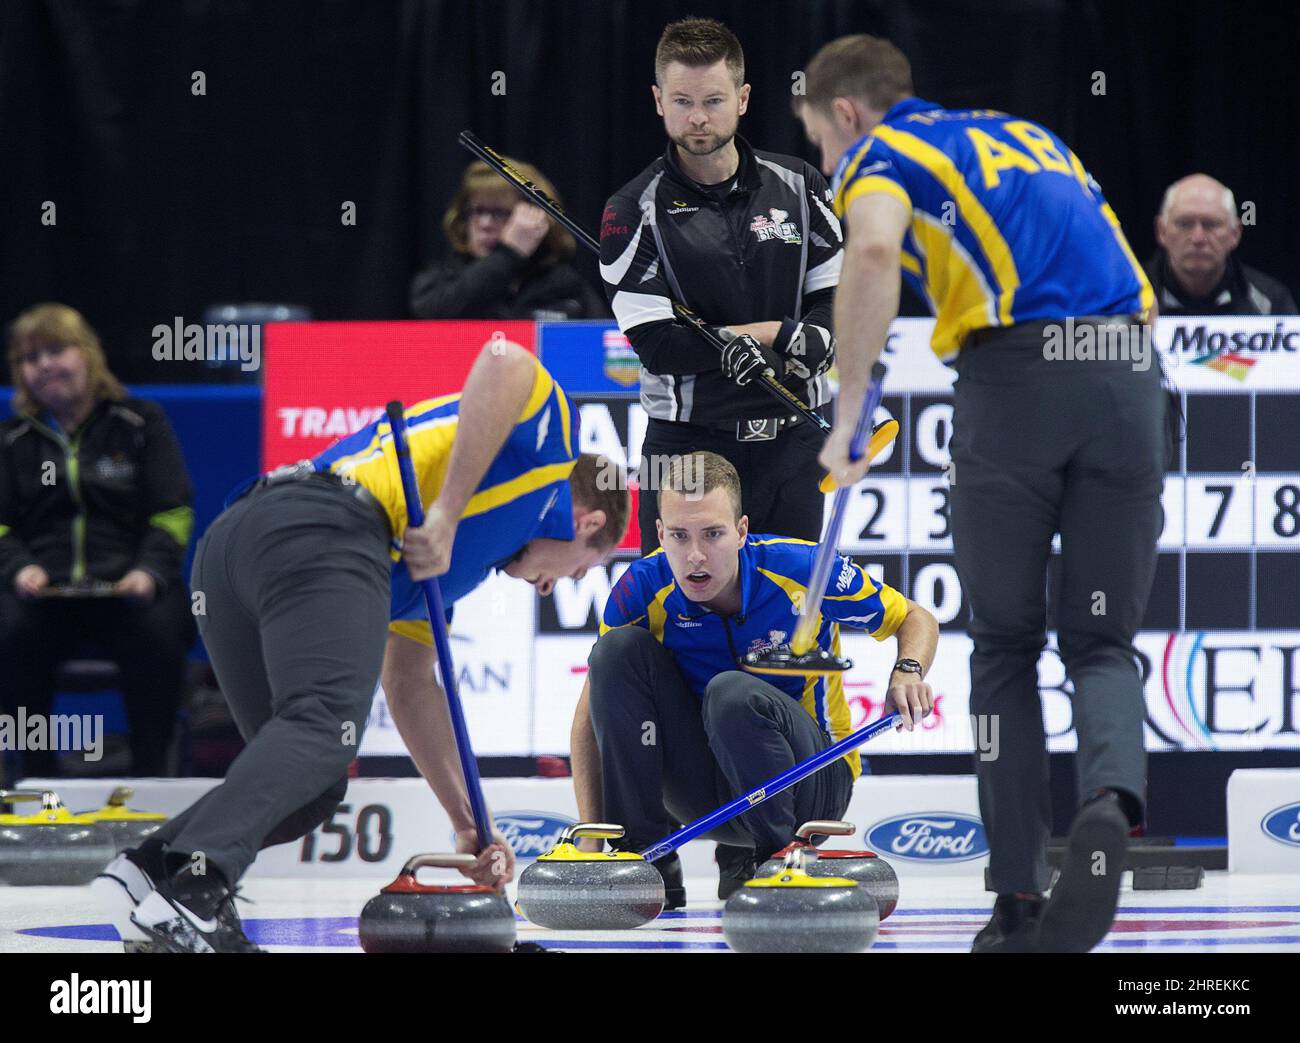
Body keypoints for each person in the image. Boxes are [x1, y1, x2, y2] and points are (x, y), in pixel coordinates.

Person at [797, 35, 1167, 953]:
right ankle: (1112, 802)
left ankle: (1016, 899)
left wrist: (849, 418)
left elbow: (875, 251)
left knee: (1003, 645)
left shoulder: (883, 156)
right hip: (1130, 377)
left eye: (818, 144)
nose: (824, 165)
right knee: (1102, 640)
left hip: (1018, 383)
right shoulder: (1029, 135)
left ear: (848, 113)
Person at [101, 341, 629, 952]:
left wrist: (466, 823)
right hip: (325, 523)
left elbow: (408, 687)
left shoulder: (458, 571)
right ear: (590, 524)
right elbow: (504, 360)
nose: (551, 585)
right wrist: (446, 516)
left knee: (310, 781)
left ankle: (154, 870)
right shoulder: (552, 454)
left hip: (234, 551)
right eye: (578, 571)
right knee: (323, 727)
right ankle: (194, 892)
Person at [571, 451, 938, 906]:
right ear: (661, 534)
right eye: (680, 536)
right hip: (704, 792)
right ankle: (642, 858)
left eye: (713, 534)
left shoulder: (806, 569)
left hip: (810, 781)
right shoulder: (640, 589)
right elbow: (595, 710)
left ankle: (778, 858)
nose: (696, 556)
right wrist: (590, 836)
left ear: (742, 531)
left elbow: (916, 618)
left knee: (731, 692)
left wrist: (907, 671)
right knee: (615, 652)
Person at [599, 17, 844, 557]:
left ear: (743, 98)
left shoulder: (802, 185)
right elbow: (660, 346)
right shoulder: (628, 210)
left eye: (713, 100)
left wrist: (785, 347)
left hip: (795, 437)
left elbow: (834, 306)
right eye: (682, 101)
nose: (698, 117)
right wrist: (777, 338)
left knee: (789, 624)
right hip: (688, 445)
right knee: (674, 626)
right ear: (658, 100)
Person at [0, 303, 195, 778]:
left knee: (161, 633)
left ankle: (153, 778)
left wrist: (147, 572)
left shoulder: (140, 423)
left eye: (56, 350)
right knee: (9, 633)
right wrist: (18, 567)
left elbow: (172, 512)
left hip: (127, 592)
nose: (44, 365)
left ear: (87, 355)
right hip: (43, 595)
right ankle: (33, 778)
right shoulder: (12, 440)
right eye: (31, 358)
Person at [410, 158, 607, 321]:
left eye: (499, 213)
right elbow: (432, 319)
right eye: (477, 211)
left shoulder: (565, 287)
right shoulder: (443, 279)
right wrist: (508, 254)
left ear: (536, 218)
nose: (485, 224)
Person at [1146, 173, 1296, 316]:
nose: (1198, 238)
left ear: (1235, 234)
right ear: (1161, 231)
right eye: (1184, 224)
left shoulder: (1269, 302)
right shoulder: (1128, 298)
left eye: (1211, 224)